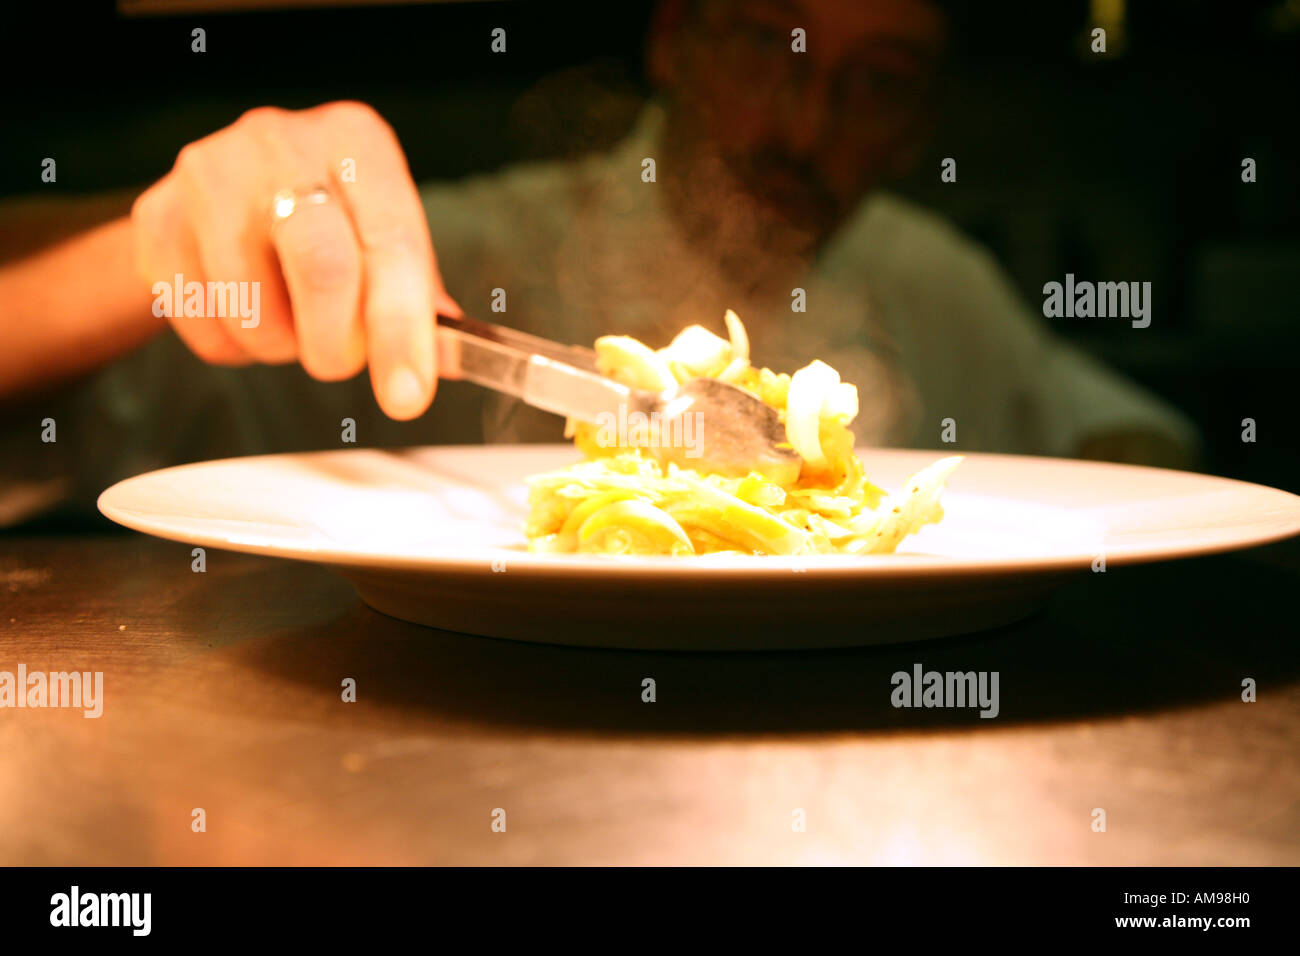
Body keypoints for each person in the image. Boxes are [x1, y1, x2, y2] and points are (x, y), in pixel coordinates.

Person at [0, 0, 1197, 527]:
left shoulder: (930, 275)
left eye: (873, 82)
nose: (803, 120)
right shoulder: (448, 249)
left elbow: (1134, 443)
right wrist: (149, 253)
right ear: (674, 36)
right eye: (768, 44)